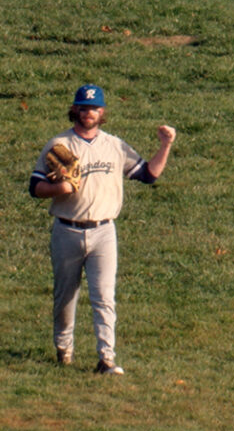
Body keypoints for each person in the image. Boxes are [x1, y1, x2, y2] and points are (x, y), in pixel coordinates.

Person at [29, 83, 176, 375]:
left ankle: (106, 359)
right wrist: (60, 187)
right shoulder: (59, 144)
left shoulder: (114, 145)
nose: (88, 113)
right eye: (83, 107)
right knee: (65, 297)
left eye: (94, 108)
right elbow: (35, 187)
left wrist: (165, 145)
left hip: (104, 232)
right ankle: (63, 350)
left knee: (104, 297)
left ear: (102, 111)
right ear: (75, 109)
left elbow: (149, 175)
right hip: (66, 231)